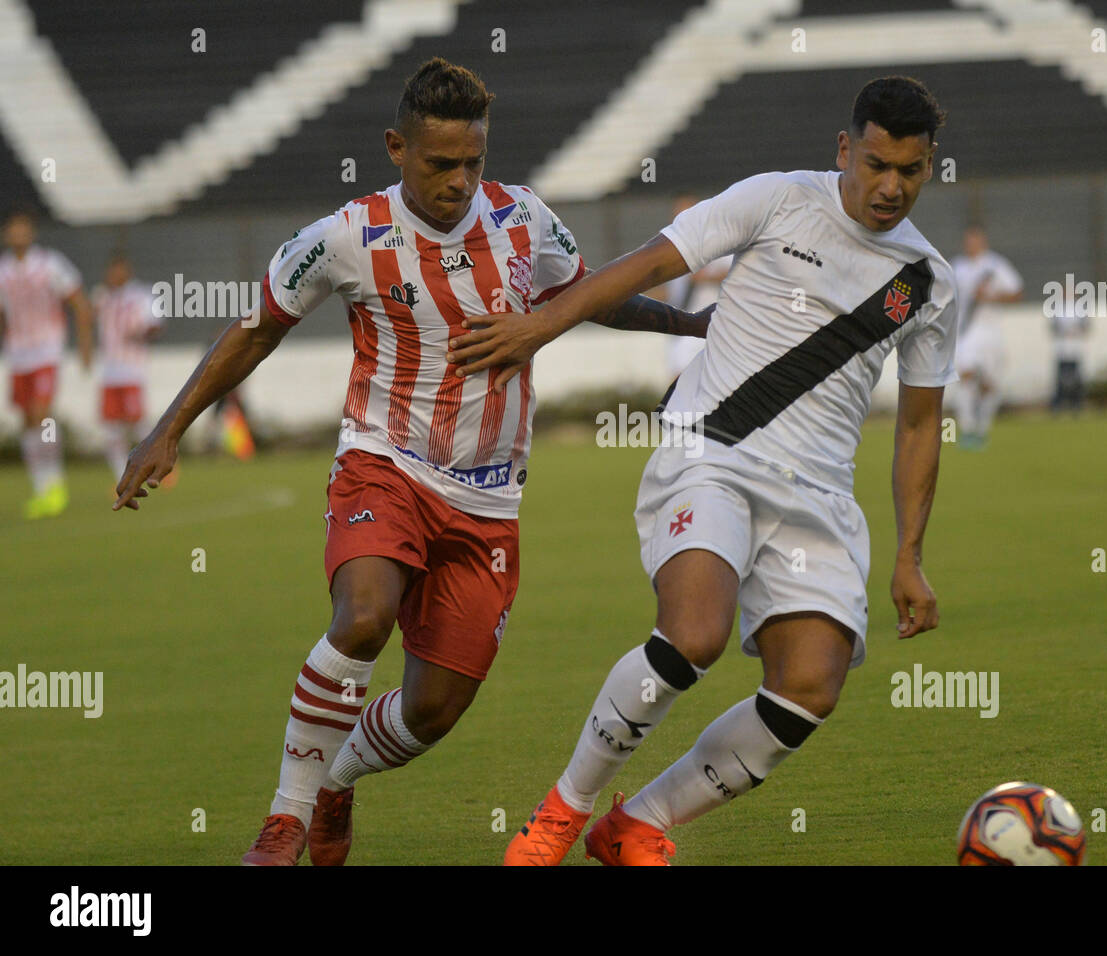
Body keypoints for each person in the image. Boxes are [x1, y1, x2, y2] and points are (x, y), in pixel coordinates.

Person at [112, 57, 709, 866]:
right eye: (439, 164)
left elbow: (596, 296)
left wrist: (696, 325)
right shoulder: (347, 236)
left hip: (489, 500)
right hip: (383, 462)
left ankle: (334, 784)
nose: (459, 180)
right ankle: (284, 821)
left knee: (432, 711)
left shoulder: (524, 220)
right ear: (397, 147)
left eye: (473, 162)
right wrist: (168, 428)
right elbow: (257, 328)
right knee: (362, 616)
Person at [449, 75, 958, 866]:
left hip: (816, 493)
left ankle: (637, 825)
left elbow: (921, 424)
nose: (890, 186)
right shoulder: (777, 198)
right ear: (844, 149)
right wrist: (539, 326)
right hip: (713, 451)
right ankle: (563, 810)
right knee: (694, 634)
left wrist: (910, 555)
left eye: (911, 170)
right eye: (876, 163)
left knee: (810, 687)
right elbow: (651, 262)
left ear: (931, 167)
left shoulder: (927, 283)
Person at [0, 207, 93, 518]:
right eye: (13, 228)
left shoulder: (50, 263)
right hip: (18, 354)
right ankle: (41, 487)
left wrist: (84, 345)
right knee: (26, 419)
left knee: (41, 414)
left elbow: (78, 302)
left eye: (23, 228)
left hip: (46, 350)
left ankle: (55, 482)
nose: (18, 234)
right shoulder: (3, 270)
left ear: (31, 233)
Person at [949, 225, 1021, 449]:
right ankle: (968, 429)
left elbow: (1016, 293)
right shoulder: (956, 266)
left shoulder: (995, 265)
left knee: (990, 384)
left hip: (990, 332)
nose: (971, 244)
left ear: (983, 241)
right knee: (965, 375)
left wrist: (989, 296)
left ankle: (982, 429)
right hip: (965, 333)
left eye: (975, 240)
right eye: (968, 240)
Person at [93, 252, 163, 479]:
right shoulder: (102, 297)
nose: (114, 275)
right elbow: (86, 318)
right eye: (112, 270)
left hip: (132, 370)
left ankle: (160, 463)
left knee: (138, 424)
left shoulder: (141, 295)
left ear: (128, 271)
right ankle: (121, 477)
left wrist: (142, 333)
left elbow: (156, 325)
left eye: (119, 270)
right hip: (109, 372)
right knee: (112, 429)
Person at [653, 193, 733, 380]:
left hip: (708, 325)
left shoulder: (718, 244)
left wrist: (705, 278)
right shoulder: (674, 252)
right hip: (680, 327)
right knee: (677, 383)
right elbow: (673, 292)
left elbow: (734, 273)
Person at [1047, 290, 1089, 413]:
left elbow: (1086, 326)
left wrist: (1076, 331)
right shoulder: (1058, 309)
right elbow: (1053, 326)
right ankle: (1057, 405)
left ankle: (1076, 405)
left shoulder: (1080, 309)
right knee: (1060, 378)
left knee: (1077, 378)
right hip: (1061, 347)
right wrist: (1064, 331)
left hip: (1075, 347)